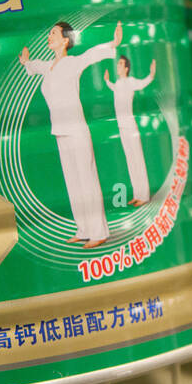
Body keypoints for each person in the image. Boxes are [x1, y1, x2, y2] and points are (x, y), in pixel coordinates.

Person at [20, 20, 122, 248]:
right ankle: (83, 229)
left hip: (76, 130)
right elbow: (34, 66)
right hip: (60, 131)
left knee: (87, 180)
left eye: (54, 33)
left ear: (65, 40)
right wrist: (26, 62)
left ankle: (98, 231)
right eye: (50, 32)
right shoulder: (49, 67)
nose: (50, 36)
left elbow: (91, 55)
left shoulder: (72, 63)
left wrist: (112, 44)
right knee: (73, 182)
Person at [104, 56, 156, 207]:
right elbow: (114, 88)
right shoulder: (119, 83)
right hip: (121, 127)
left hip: (130, 127)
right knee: (130, 161)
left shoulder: (130, 81)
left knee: (138, 160)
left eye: (120, 64)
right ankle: (137, 194)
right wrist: (107, 81)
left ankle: (144, 195)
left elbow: (143, 83)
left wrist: (151, 74)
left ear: (126, 68)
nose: (118, 66)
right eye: (118, 63)